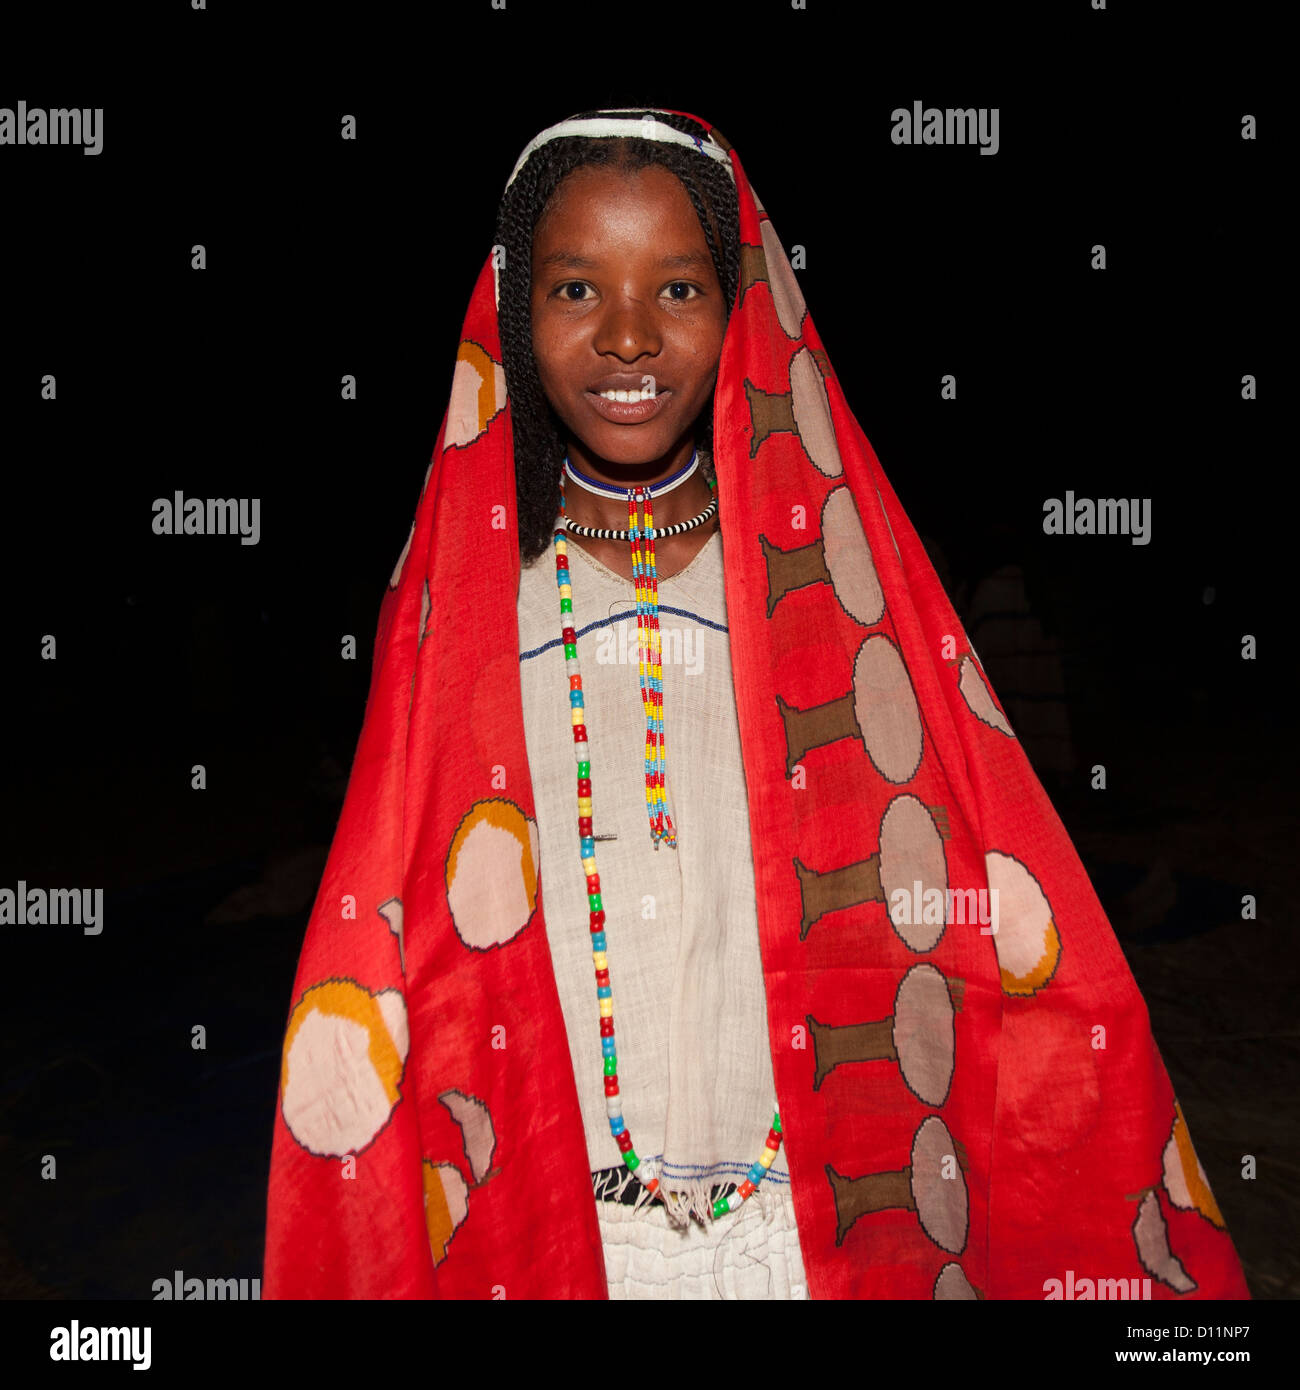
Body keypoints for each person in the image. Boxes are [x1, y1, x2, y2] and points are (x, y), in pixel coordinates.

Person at [262, 108, 1250, 1301]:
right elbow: (398, 936)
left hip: (803, 1238)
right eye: (577, 290)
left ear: (743, 313)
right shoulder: (471, 615)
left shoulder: (834, 605)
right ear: (515, 320)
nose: (628, 337)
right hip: (565, 1233)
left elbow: (984, 913)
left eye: (677, 290)